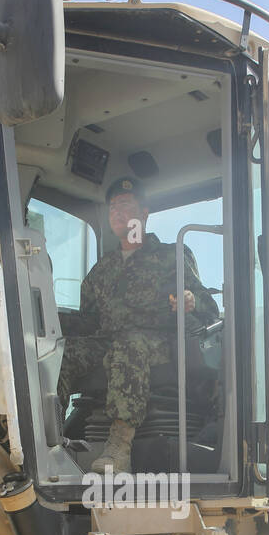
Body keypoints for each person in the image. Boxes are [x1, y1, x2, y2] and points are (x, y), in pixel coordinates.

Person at [57, 176, 219, 473]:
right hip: (108, 342)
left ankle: (119, 447)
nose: (118, 212)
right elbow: (88, 322)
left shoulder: (171, 256)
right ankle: (48, 439)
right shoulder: (102, 269)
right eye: (113, 207)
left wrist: (190, 301)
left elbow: (209, 308)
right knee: (62, 352)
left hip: (157, 343)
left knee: (129, 343)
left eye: (126, 205)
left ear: (144, 214)